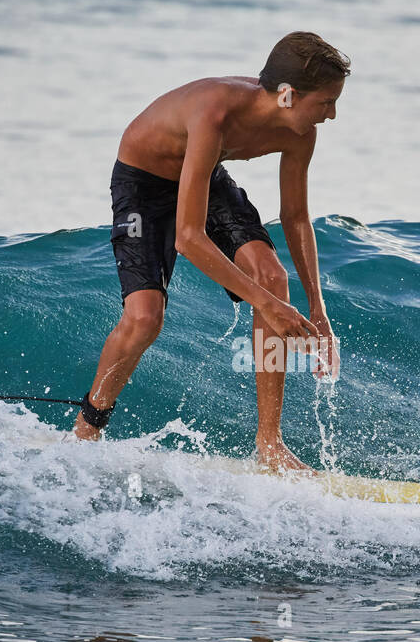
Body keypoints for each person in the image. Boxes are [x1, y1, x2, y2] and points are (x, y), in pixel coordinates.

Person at [72, 31, 348, 473]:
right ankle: (89, 423)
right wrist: (266, 305)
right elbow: (188, 237)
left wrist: (317, 307)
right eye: (325, 102)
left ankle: (270, 445)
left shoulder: (300, 132)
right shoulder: (214, 112)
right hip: (143, 182)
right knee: (144, 318)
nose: (332, 115)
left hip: (202, 174)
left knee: (273, 277)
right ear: (288, 95)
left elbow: (296, 217)